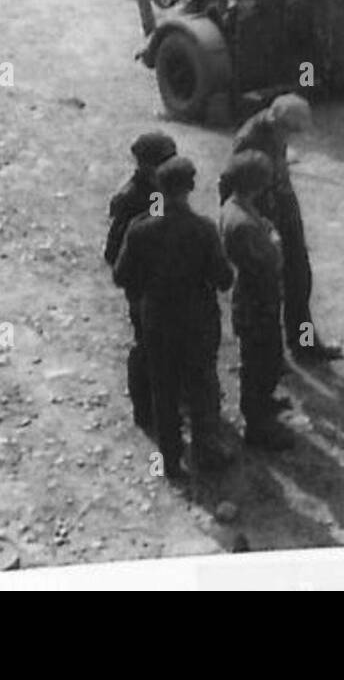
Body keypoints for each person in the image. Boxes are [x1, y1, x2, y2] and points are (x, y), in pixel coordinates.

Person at [112, 156, 234, 480]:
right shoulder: (204, 229)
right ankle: (206, 451)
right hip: (198, 322)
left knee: (164, 389)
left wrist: (147, 292)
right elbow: (224, 279)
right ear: (190, 188)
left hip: (158, 321)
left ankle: (170, 459)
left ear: (159, 188)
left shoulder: (140, 228)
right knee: (202, 386)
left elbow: (122, 276)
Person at [225, 94, 343, 364]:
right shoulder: (249, 140)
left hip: (285, 209)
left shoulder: (276, 130)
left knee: (299, 281)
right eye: (291, 131)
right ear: (279, 123)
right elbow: (234, 185)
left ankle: (303, 343)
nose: (291, 138)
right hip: (263, 217)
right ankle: (272, 359)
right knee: (267, 292)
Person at [219, 151, 295, 451]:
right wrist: (274, 238)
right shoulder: (245, 224)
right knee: (259, 362)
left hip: (253, 297)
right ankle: (258, 425)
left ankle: (263, 405)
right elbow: (271, 261)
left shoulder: (234, 207)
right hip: (256, 299)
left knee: (267, 356)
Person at [104, 131, 178, 431]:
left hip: (167, 285)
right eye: (165, 160)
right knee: (146, 347)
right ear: (147, 164)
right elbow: (114, 253)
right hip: (145, 289)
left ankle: (173, 394)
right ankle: (145, 410)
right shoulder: (130, 198)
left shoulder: (161, 189)